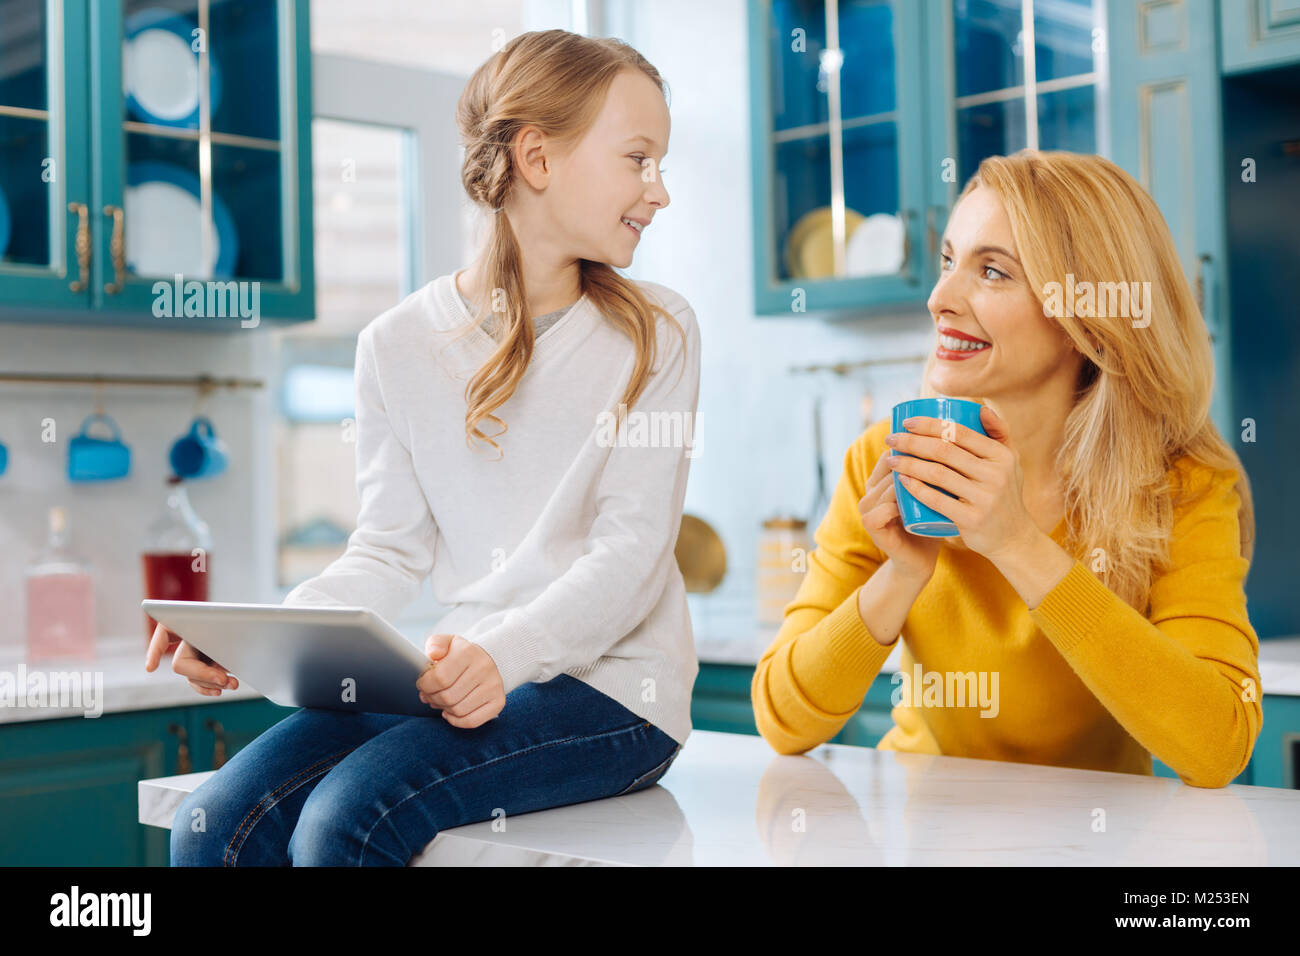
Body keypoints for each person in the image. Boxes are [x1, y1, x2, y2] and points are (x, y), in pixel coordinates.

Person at [147, 28, 700, 865]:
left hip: (618, 694)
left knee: (344, 824)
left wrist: (502, 653)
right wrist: (258, 639)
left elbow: (632, 554)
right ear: (538, 158)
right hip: (462, 677)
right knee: (214, 822)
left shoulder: (658, 331)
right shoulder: (396, 344)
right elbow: (388, 550)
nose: (658, 192)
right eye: (638, 158)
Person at [752, 150, 1260, 789]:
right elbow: (781, 720)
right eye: (948, 262)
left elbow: (1217, 747)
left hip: (1099, 846)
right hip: (921, 841)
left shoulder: (1178, 484)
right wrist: (902, 573)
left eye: (992, 272)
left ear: (1090, 324)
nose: (940, 299)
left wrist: (1018, 544)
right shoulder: (885, 458)